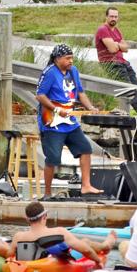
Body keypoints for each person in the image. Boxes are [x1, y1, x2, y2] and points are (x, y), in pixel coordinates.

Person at [36, 44, 102, 197]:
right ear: (57, 59)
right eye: (67, 58)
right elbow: (40, 95)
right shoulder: (50, 72)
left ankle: (86, 185)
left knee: (85, 149)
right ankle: (47, 193)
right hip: (52, 122)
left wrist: (90, 107)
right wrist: (56, 109)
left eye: (72, 58)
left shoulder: (73, 71)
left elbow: (80, 93)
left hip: (70, 121)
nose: (71, 61)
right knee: (53, 158)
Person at [7, 201, 116, 267]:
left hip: (32, 263)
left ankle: (106, 245)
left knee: (74, 245)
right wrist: (98, 261)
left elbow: (9, 255)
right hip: (51, 263)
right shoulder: (59, 232)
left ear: (27, 219)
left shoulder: (18, 236)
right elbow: (86, 250)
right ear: (44, 216)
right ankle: (106, 245)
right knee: (85, 242)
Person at [95, 7, 137, 85]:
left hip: (123, 63)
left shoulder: (117, 30)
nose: (114, 19)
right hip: (111, 63)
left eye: (115, 17)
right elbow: (113, 49)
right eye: (111, 16)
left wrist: (116, 44)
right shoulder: (103, 29)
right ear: (106, 17)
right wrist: (119, 46)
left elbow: (126, 48)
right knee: (129, 88)